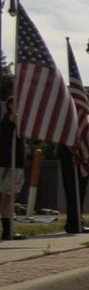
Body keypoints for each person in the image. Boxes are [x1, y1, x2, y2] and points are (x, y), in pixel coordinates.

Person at [1, 97, 27, 241]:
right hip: (8, 165)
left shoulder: (19, 124)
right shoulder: (7, 122)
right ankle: (7, 231)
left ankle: (8, 230)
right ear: (10, 105)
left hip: (18, 165)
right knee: (7, 198)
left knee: (11, 198)